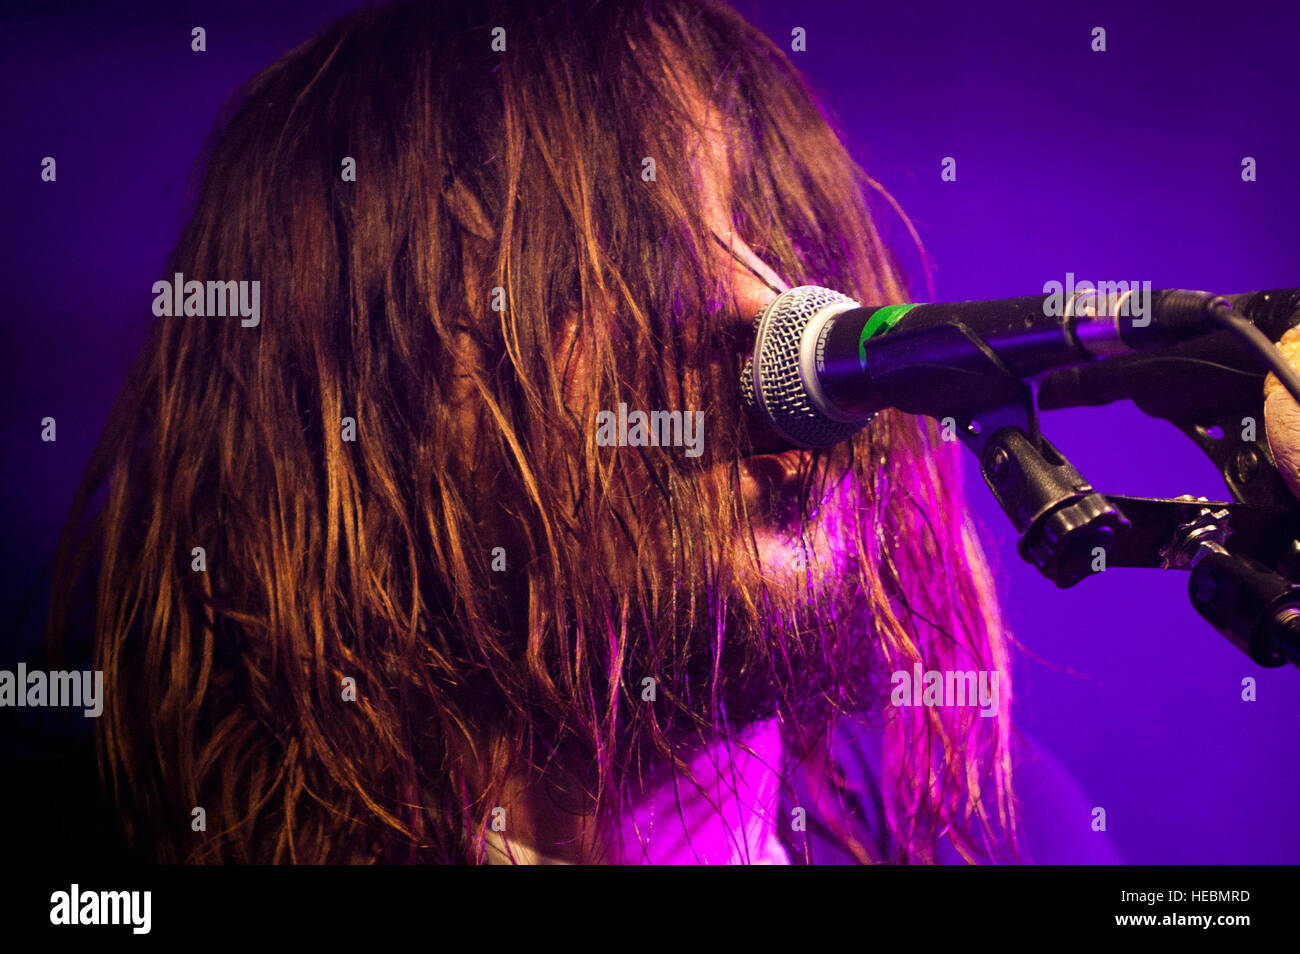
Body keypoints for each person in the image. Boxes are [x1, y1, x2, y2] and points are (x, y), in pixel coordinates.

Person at [46, 0, 1026, 864]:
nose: (768, 301)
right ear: (363, 407)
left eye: (776, 231)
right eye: (612, 250)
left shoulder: (1010, 839)